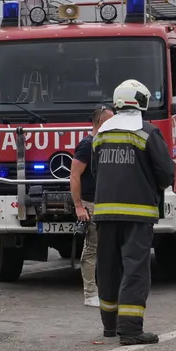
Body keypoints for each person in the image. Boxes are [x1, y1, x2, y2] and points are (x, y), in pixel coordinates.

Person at [88, 79, 174, 346]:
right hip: (138, 215)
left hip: (105, 214)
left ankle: (110, 326)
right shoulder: (147, 133)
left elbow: (95, 171)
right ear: (141, 103)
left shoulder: (101, 134)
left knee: (108, 269)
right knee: (135, 270)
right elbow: (166, 173)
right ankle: (131, 330)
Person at [71, 103, 114, 307]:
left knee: (106, 248)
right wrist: (79, 206)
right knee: (91, 249)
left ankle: (105, 290)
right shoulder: (87, 145)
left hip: (105, 203)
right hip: (91, 204)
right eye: (111, 120)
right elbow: (74, 175)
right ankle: (90, 294)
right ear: (100, 121)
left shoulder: (104, 143)